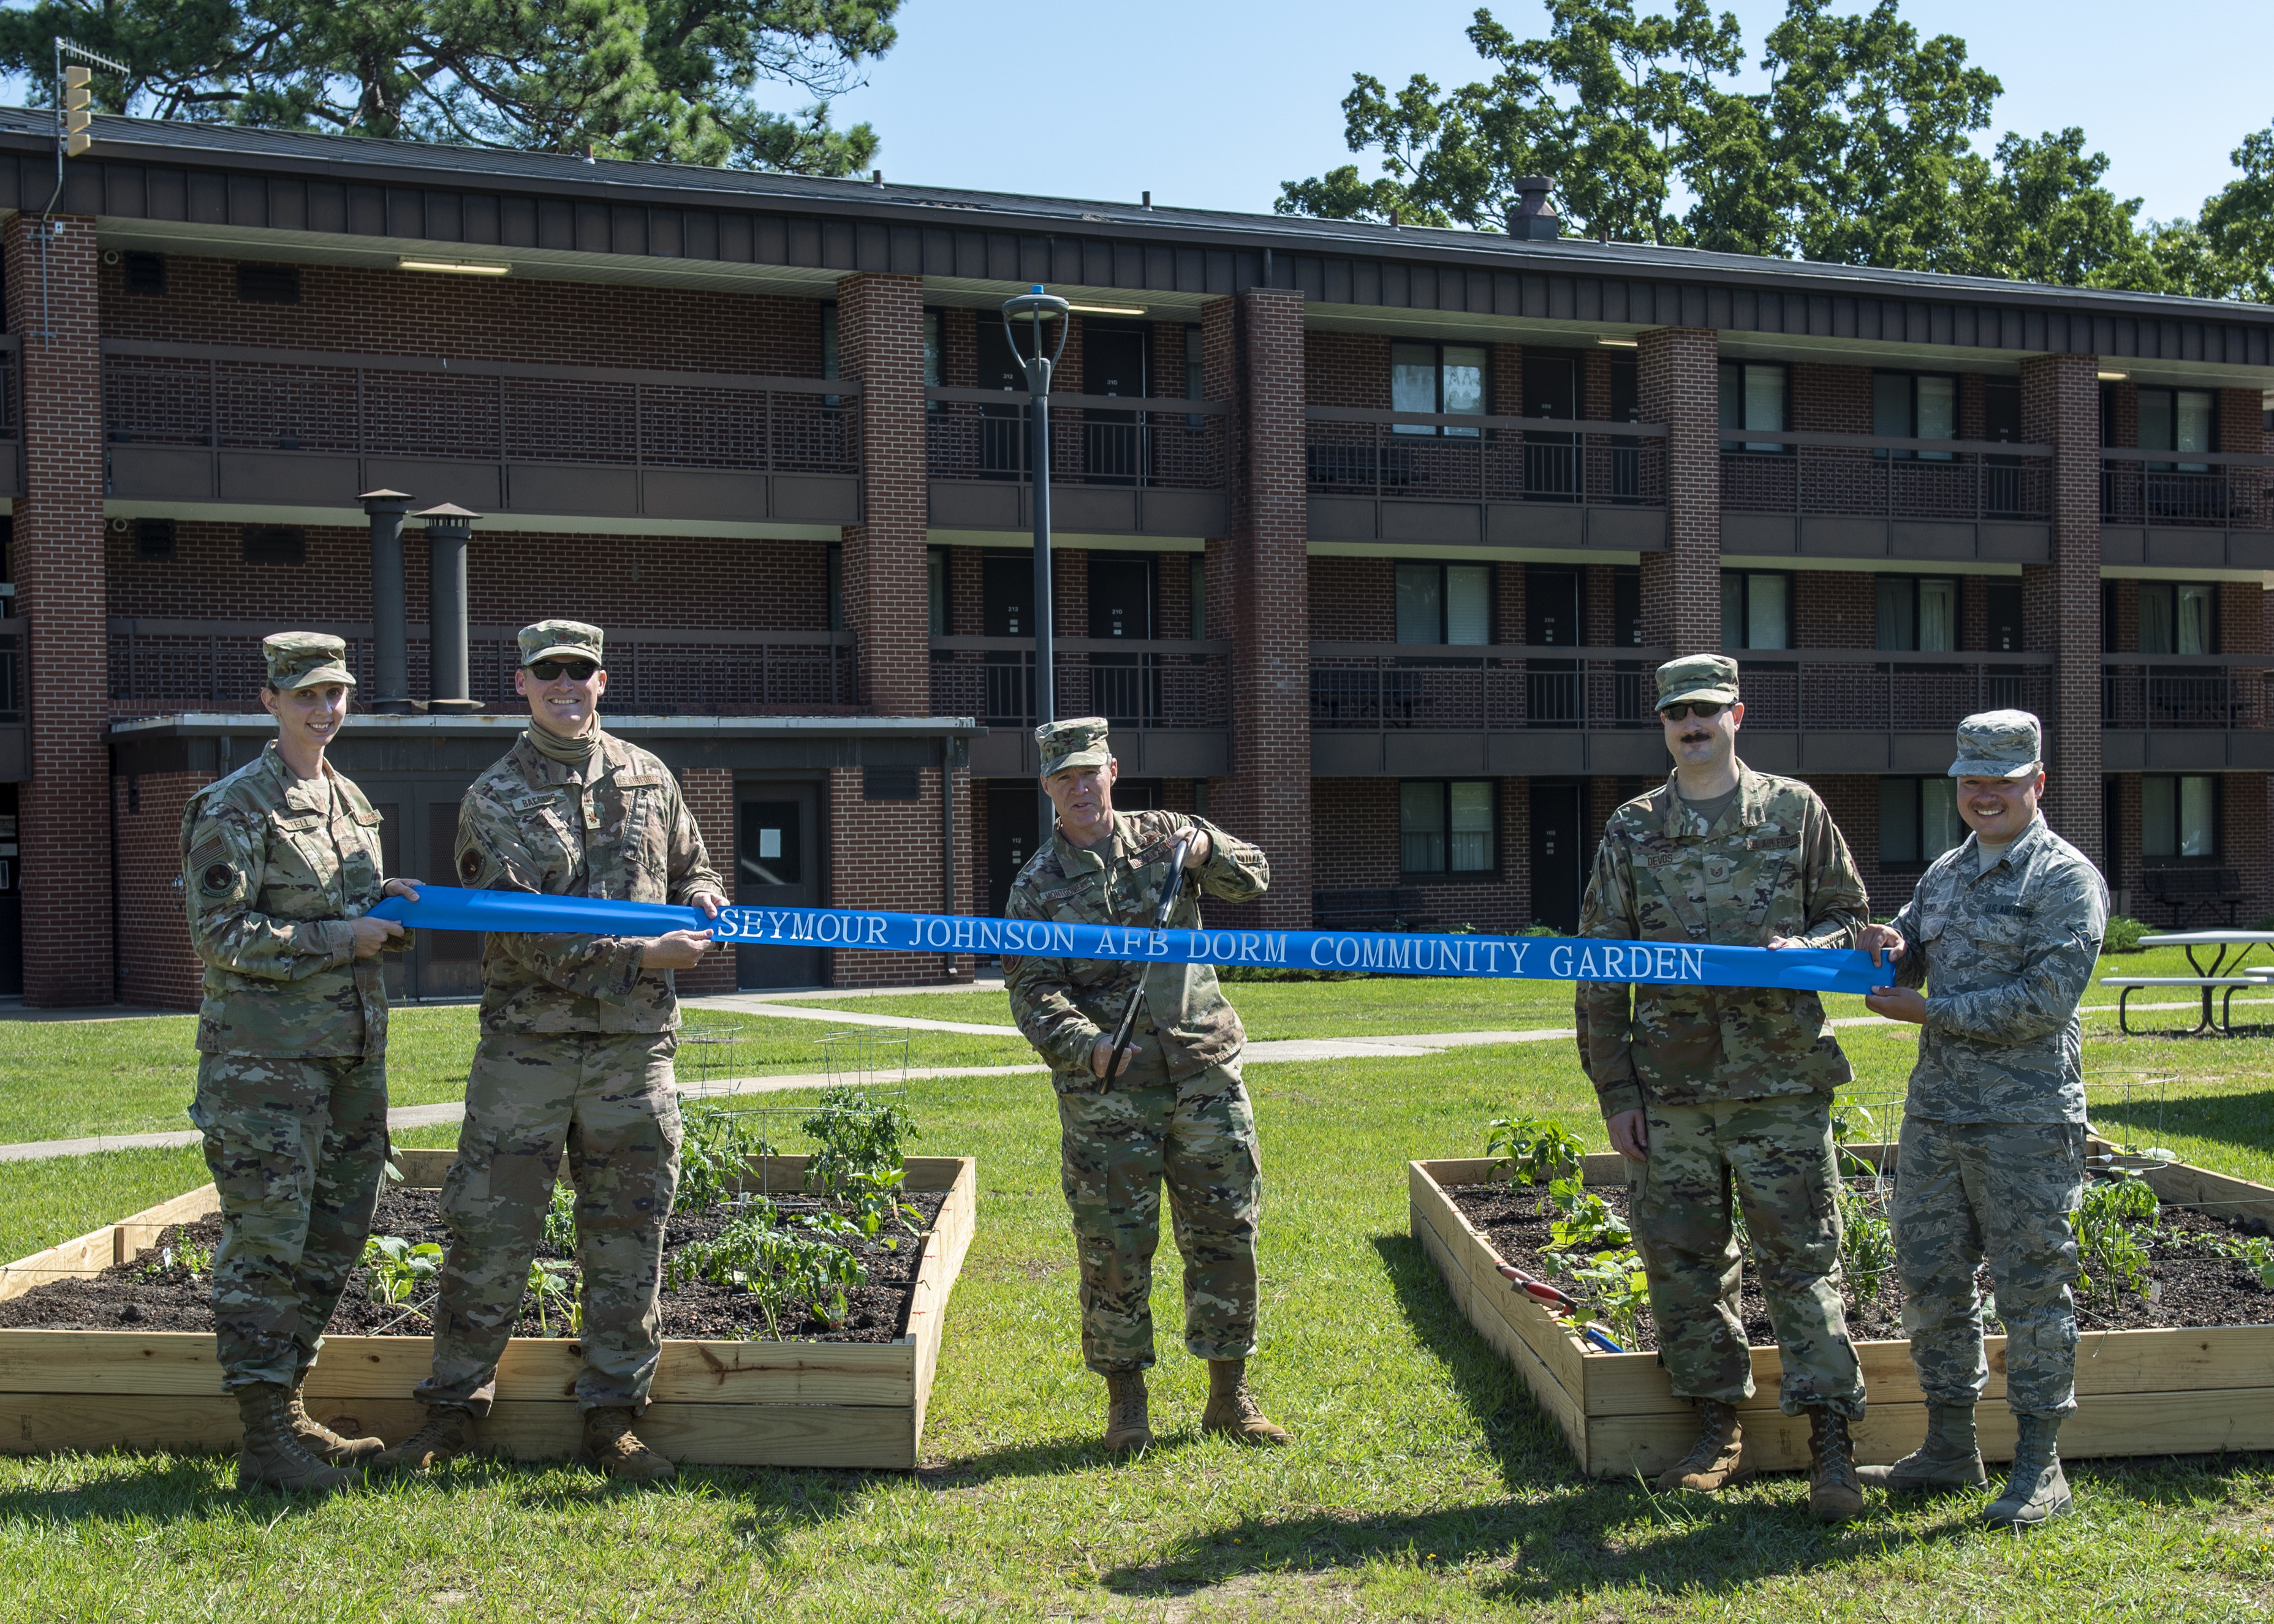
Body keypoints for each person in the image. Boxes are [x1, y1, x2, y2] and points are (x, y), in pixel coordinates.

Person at [376, 620, 726, 1482]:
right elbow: (516, 929)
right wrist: (644, 954)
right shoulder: (494, 794)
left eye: (579, 672)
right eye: (547, 674)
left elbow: (691, 866)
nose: (565, 686)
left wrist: (707, 894)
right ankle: (451, 1412)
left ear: (601, 680)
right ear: (522, 685)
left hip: (632, 1052)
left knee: (626, 1238)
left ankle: (612, 1418)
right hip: (526, 1054)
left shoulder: (650, 775)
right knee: (487, 1233)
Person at [1575, 654, 1871, 1522]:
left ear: (1737, 713)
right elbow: (1597, 969)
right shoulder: (1631, 828)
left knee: (1802, 1265)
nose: (1692, 725)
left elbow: (1848, 917)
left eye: (1706, 709)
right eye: (1676, 714)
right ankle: (1715, 1427)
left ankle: (1830, 1443)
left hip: (1778, 1083)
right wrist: (1614, 1090)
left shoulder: (1793, 809)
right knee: (1681, 1267)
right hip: (1669, 1092)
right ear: (1662, 725)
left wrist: (1806, 949)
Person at [1001, 717, 1289, 1453]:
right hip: (1111, 1094)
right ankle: (1127, 1404)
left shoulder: (1167, 835)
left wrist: (1209, 846)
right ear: (1047, 788)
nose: (1080, 787)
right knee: (1114, 1250)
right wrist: (1085, 1045)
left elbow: (1253, 876)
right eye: (1064, 777)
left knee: (1226, 1234)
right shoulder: (1035, 888)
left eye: (1089, 771)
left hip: (1203, 1073)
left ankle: (1231, 1394)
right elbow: (1033, 991)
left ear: (1113, 771)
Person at [181, 632, 421, 1493]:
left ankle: (286, 1410)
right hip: (264, 1069)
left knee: (332, 1238)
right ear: (270, 701)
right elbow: (219, 933)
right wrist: (338, 935)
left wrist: (382, 903)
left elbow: (345, 904)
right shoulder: (234, 805)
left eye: (337, 693)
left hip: (350, 1058)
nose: (325, 709)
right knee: (266, 1243)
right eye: (307, 694)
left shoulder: (349, 798)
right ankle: (261, 1440)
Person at [1855, 710, 2107, 1529]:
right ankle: (1947, 1443)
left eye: (2001, 781)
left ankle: (2040, 1465)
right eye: (1970, 780)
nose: (1983, 795)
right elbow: (1913, 943)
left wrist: (1926, 1010)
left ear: (2036, 783)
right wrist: (1888, 940)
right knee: (1929, 1278)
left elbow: (2043, 1002)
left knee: (2032, 1290)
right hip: (1939, 1116)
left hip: (2024, 1121)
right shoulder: (1946, 872)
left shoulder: (2063, 878)